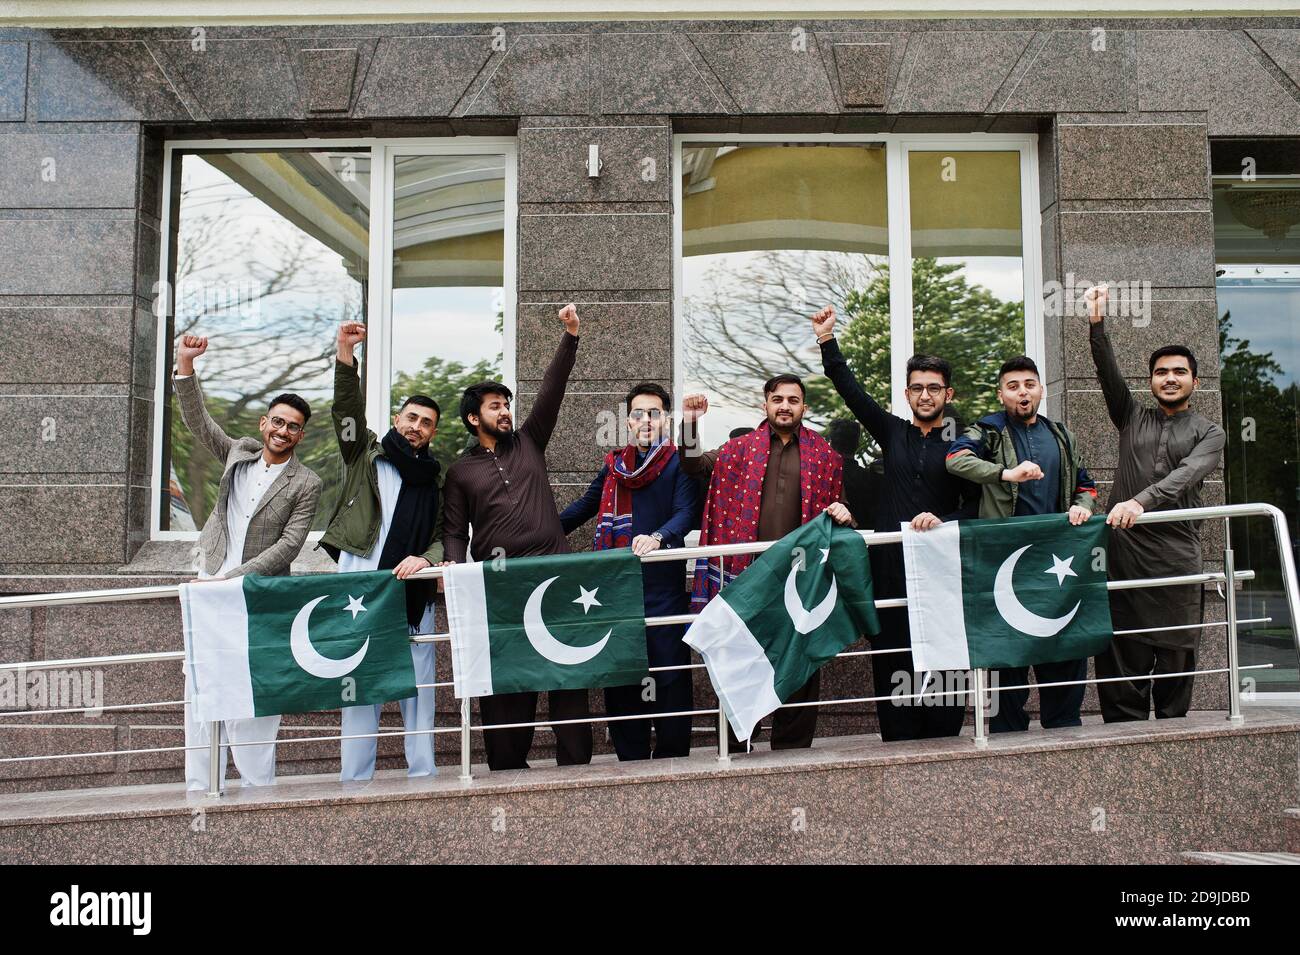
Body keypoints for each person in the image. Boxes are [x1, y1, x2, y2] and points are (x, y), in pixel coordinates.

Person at [812, 305, 978, 741]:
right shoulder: (892, 431)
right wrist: (828, 340)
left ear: (949, 395)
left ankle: (944, 734)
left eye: (934, 388)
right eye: (917, 388)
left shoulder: (964, 444)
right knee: (892, 651)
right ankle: (899, 738)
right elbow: (851, 393)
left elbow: (977, 506)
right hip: (890, 565)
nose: (926, 395)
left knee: (943, 649)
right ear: (907, 395)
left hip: (942, 567)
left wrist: (942, 519)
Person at [442, 304, 591, 770]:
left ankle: (576, 765)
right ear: (473, 419)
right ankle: (507, 767)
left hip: (557, 575)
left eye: (507, 405)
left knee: (567, 672)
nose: (506, 412)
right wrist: (451, 567)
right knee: (510, 679)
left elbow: (552, 391)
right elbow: (453, 530)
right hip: (500, 585)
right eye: (495, 406)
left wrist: (569, 338)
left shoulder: (530, 441)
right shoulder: (461, 471)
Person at [173, 333, 322, 791]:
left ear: (300, 434)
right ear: (264, 424)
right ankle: (201, 789)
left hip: (258, 594)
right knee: (200, 690)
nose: (283, 431)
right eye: (277, 421)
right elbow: (200, 423)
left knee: (257, 690)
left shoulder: (307, 483)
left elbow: (290, 545)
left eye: (293, 426)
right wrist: (185, 363)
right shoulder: (238, 453)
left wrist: (232, 579)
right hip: (208, 584)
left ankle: (259, 790)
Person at [680, 374, 855, 750]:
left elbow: (842, 508)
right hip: (748, 575)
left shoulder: (826, 457)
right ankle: (737, 743)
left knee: (800, 660)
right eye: (778, 399)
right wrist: (691, 423)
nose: (785, 406)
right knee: (739, 660)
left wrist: (843, 511)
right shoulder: (737, 450)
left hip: (801, 577)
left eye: (793, 400)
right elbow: (692, 464)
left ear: (803, 407)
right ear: (765, 405)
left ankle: (792, 747)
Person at [1084, 284, 1226, 721]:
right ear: (1151, 381)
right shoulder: (1130, 416)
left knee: (1175, 657)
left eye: (1179, 372)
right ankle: (1122, 745)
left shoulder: (1210, 432)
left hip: (1176, 560)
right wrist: (1096, 324)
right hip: (1124, 557)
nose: (1169, 378)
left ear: (1194, 381)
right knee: (1121, 657)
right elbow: (1108, 373)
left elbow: (1184, 478)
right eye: (1161, 372)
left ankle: (1171, 743)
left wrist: (1139, 502)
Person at [321, 321, 446, 782]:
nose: (416, 427)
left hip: (411, 590)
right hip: (362, 587)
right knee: (360, 686)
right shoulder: (365, 454)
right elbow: (345, 409)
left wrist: (427, 560)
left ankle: (423, 775)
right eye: (411, 418)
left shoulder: (435, 477)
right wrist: (345, 354)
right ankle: (354, 781)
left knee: (420, 688)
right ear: (397, 420)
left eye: (426, 423)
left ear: (432, 432)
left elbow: (442, 533)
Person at [946, 355, 1097, 732]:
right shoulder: (987, 430)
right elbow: (954, 460)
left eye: (1029, 384)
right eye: (1013, 387)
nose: (1022, 392)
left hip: (1056, 559)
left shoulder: (1062, 433)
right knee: (1006, 651)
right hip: (1004, 559)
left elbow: (1085, 482)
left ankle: (1063, 726)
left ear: (1041, 390)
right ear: (1001, 395)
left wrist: (1082, 507)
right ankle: (1007, 732)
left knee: (1063, 646)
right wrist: (1005, 473)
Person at [559, 382, 698, 760]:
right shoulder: (614, 466)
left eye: (654, 412)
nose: (646, 420)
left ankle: (672, 760)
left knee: (668, 676)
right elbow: (583, 508)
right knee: (622, 676)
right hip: (615, 592)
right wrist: (538, 535)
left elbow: (687, 513)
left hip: (662, 590)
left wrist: (658, 536)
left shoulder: (677, 462)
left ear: (666, 419)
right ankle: (630, 759)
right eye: (638, 413)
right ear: (628, 420)